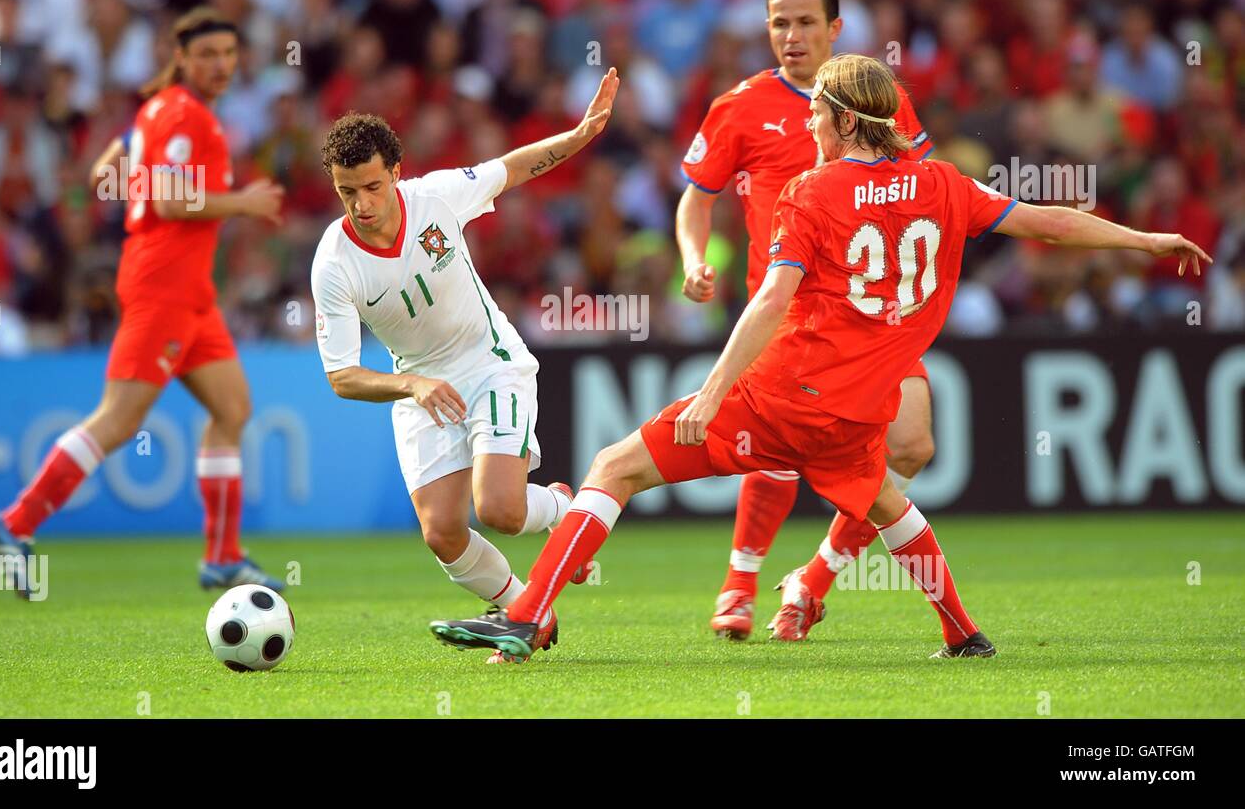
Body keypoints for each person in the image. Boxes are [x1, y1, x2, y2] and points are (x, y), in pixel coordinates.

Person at [429, 53, 1211, 662]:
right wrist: (1143, 238)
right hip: (861, 406)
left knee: (615, 466)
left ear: (841, 119)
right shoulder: (943, 184)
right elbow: (1047, 225)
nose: (807, 126)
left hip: (782, 392)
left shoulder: (813, 190)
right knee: (885, 504)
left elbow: (770, 301)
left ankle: (527, 615)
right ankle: (963, 632)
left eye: (815, 114)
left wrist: (713, 388)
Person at [311, 69, 620, 664]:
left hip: (488, 361)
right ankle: (529, 612)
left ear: (396, 172)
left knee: (501, 509)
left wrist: (580, 134)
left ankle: (558, 507)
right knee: (442, 533)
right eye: (348, 191)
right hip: (419, 382)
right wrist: (412, 383)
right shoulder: (333, 262)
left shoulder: (437, 197)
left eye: (372, 186)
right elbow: (341, 376)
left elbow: (514, 167)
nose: (362, 203)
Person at [0, 8, 288, 596]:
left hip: (192, 291)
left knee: (232, 408)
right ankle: (15, 523)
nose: (221, 64)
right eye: (207, 55)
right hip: (163, 285)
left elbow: (103, 175)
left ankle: (222, 556)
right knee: (120, 418)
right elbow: (170, 203)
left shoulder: (157, 113)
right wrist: (239, 203)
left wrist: (142, 183)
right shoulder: (184, 115)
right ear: (181, 59)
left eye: (228, 53)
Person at [677, 0, 935, 640]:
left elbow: (921, 184)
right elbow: (695, 199)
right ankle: (740, 581)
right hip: (786, 309)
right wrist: (694, 257)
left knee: (910, 445)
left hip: (871, 312)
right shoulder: (740, 105)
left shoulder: (877, 96)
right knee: (775, 449)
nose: (791, 36)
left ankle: (814, 576)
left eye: (804, 23)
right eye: (778, 23)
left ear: (835, 28)